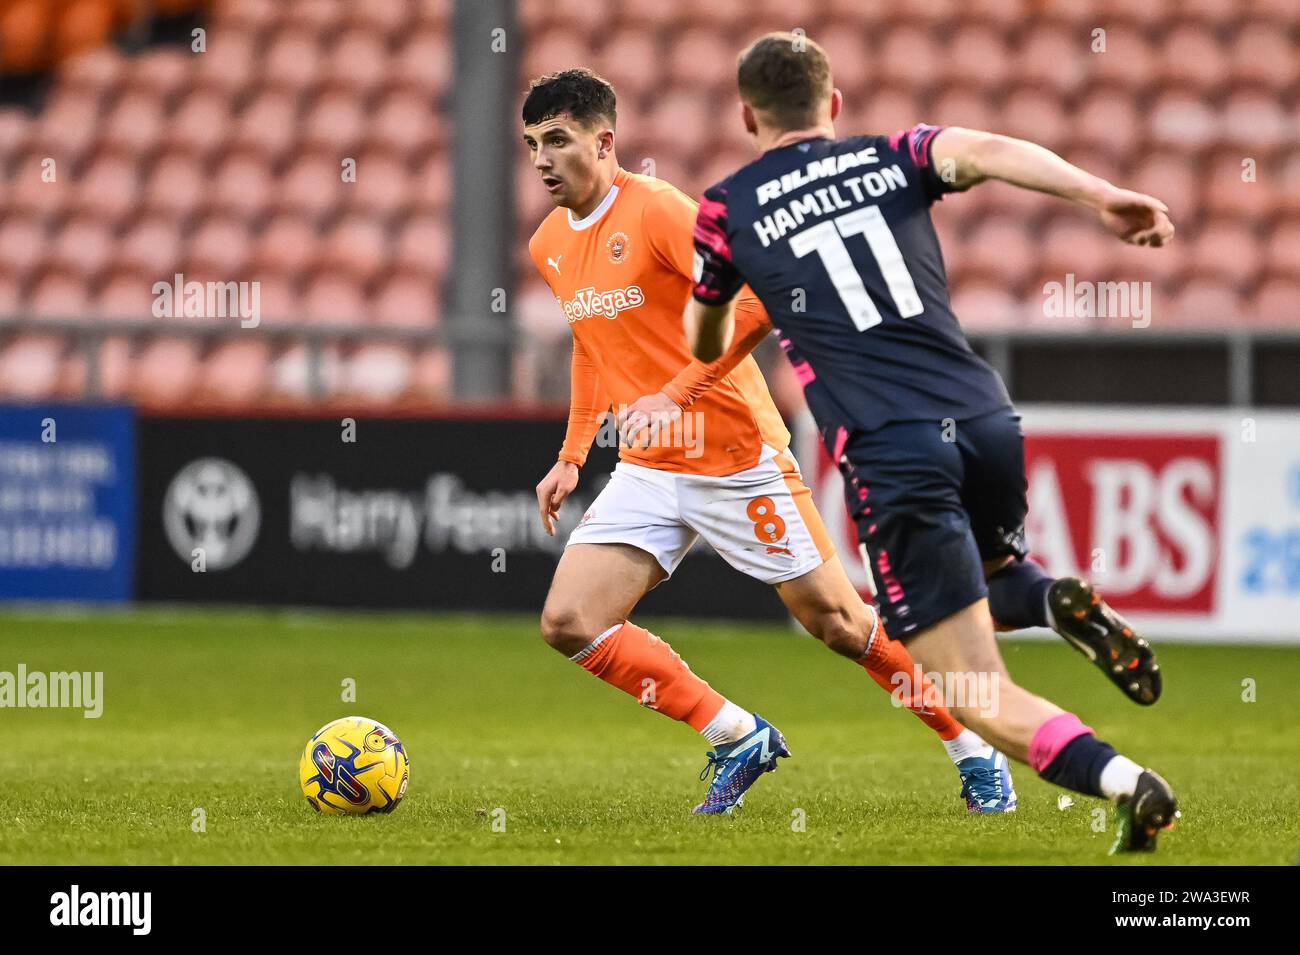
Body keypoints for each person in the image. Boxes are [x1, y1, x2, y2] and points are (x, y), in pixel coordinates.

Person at [686, 34, 1177, 851]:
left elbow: (704, 342)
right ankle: (1048, 596)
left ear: (745, 115)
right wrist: (1102, 195)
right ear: (833, 103)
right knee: (987, 576)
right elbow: (986, 148)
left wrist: (718, 299)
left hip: (890, 447)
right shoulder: (892, 153)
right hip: (984, 417)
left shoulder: (726, 207)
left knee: (964, 682)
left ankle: (1127, 782)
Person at [523, 68, 1013, 816]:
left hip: (733, 455)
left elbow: (756, 298)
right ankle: (736, 734)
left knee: (842, 624)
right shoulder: (550, 243)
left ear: (605, 140)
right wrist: (571, 452)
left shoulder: (656, 211)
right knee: (568, 622)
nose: (542, 159)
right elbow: (591, 343)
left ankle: (972, 746)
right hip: (651, 464)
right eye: (531, 145)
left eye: (557, 139)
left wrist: (674, 394)